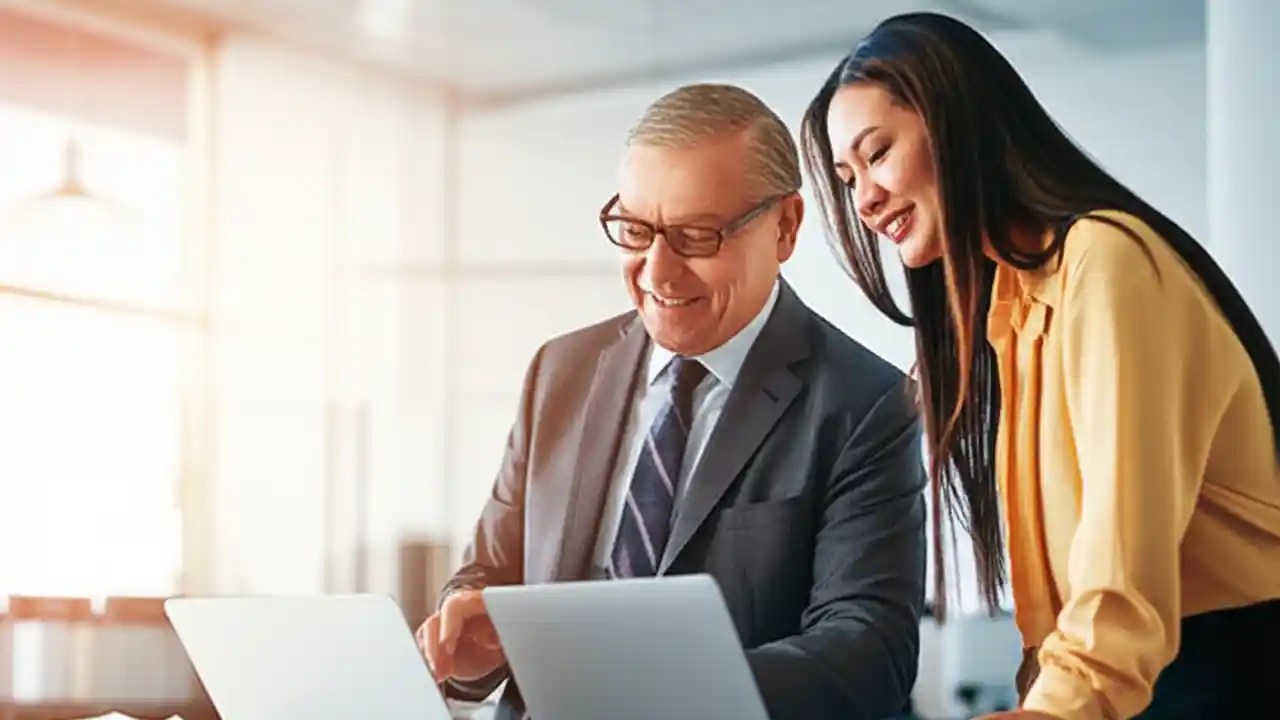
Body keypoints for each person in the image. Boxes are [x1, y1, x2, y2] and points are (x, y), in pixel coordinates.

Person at [801, 11, 1280, 720]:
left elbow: (1124, 561)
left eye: (877, 154)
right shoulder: (1012, 306)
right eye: (847, 177)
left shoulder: (1105, 259)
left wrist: (1055, 707)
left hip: (1224, 666)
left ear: (954, 122)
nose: (863, 198)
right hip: (1146, 675)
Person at [416, 83, 927, 720]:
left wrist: (664, 683)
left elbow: (871, 653)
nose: (657, 272)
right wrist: (469, 644)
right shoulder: (560, 370)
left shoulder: (863, 403)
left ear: (785, 227)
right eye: (634, 230)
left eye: (696, 235)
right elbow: (491, 572)